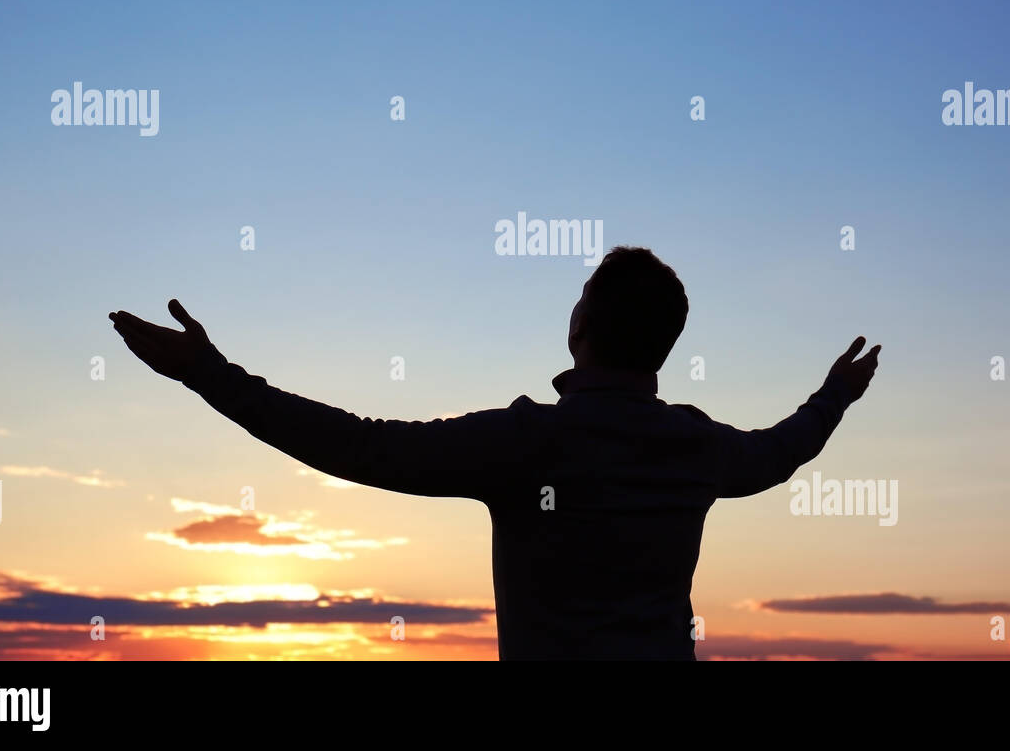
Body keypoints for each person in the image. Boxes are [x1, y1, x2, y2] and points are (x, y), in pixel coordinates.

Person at [109, 245, 880, 659]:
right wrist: (834, 396)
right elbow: (782, 452)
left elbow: (355, 445)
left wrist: (208, 375)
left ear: (579, 329)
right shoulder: (697, 446)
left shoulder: (526, 441)